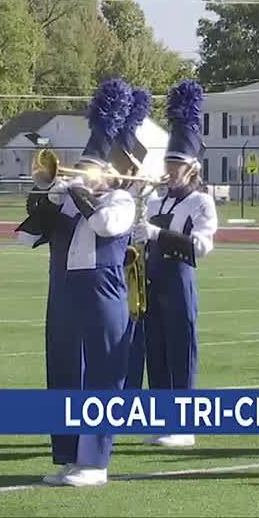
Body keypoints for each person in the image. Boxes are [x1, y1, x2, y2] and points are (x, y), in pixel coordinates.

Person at [42, 79, 136, 488]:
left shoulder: (121, 201)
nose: (80, 175)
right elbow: (28, 235)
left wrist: (80, 195)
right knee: (64, 371)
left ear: (107, 175)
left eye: (89, 170)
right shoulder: (67, 199)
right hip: (65, 292)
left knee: (102, 373)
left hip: (104, 292)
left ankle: (95, 462)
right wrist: (45, 194)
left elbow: (104, 225)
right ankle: (67, 456)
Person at [140, 80, 219, 447]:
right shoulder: (154, 201)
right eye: (168, 163)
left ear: (192, 168)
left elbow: (202, 246)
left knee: (180, 349)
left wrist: (158, 236)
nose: (170, 171)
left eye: (177, 165)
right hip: (152, 279)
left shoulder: (201, 203)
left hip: (179, 276)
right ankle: (161, 419)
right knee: (155, 350)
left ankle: (184, 425)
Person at [114, 88, 153, 392]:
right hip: (111, 270)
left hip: (133, 270)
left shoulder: (141, 194)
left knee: (133, 332)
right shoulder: (116, 193)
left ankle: (130, 389)